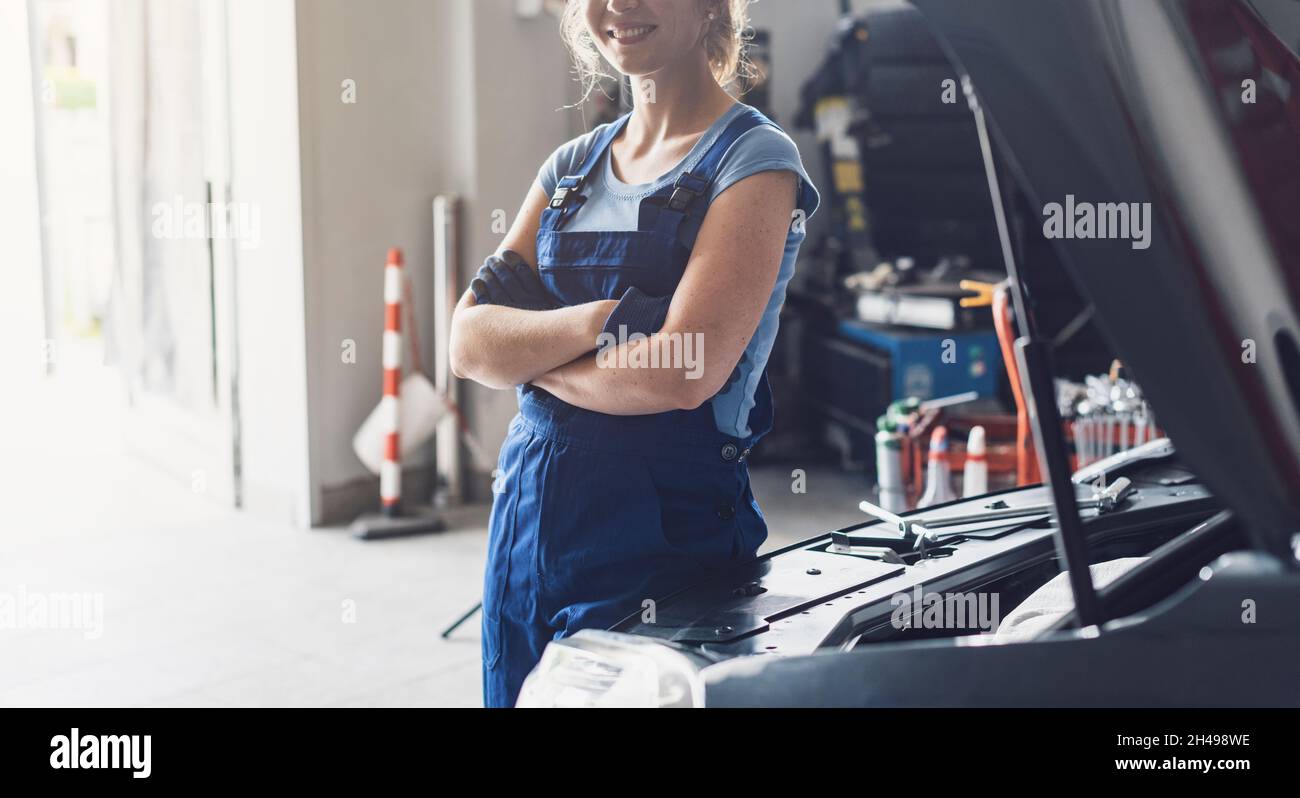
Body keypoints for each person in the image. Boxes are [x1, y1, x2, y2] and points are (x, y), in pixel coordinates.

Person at [449, 0, 819, 708]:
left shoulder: (754, 160)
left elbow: (680, 372)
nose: (618, 6)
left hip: (665, 536)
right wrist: (600, 322)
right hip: (528, 527)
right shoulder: (569, 171)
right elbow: (467, 346)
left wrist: (529, 352)